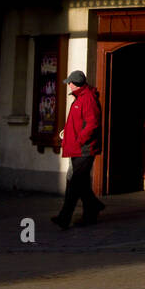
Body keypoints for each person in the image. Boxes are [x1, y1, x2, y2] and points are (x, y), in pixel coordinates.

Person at [52, 70, 105, 230]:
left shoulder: (87, 99)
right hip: (79, 148)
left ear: (75, 83)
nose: (68, 84)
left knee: (75, 184)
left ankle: (64, 218)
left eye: (69, 82)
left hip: (84, 149)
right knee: (80, 184)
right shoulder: (80, 98)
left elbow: (92, 123)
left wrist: (79, 140)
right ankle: (93, 209)